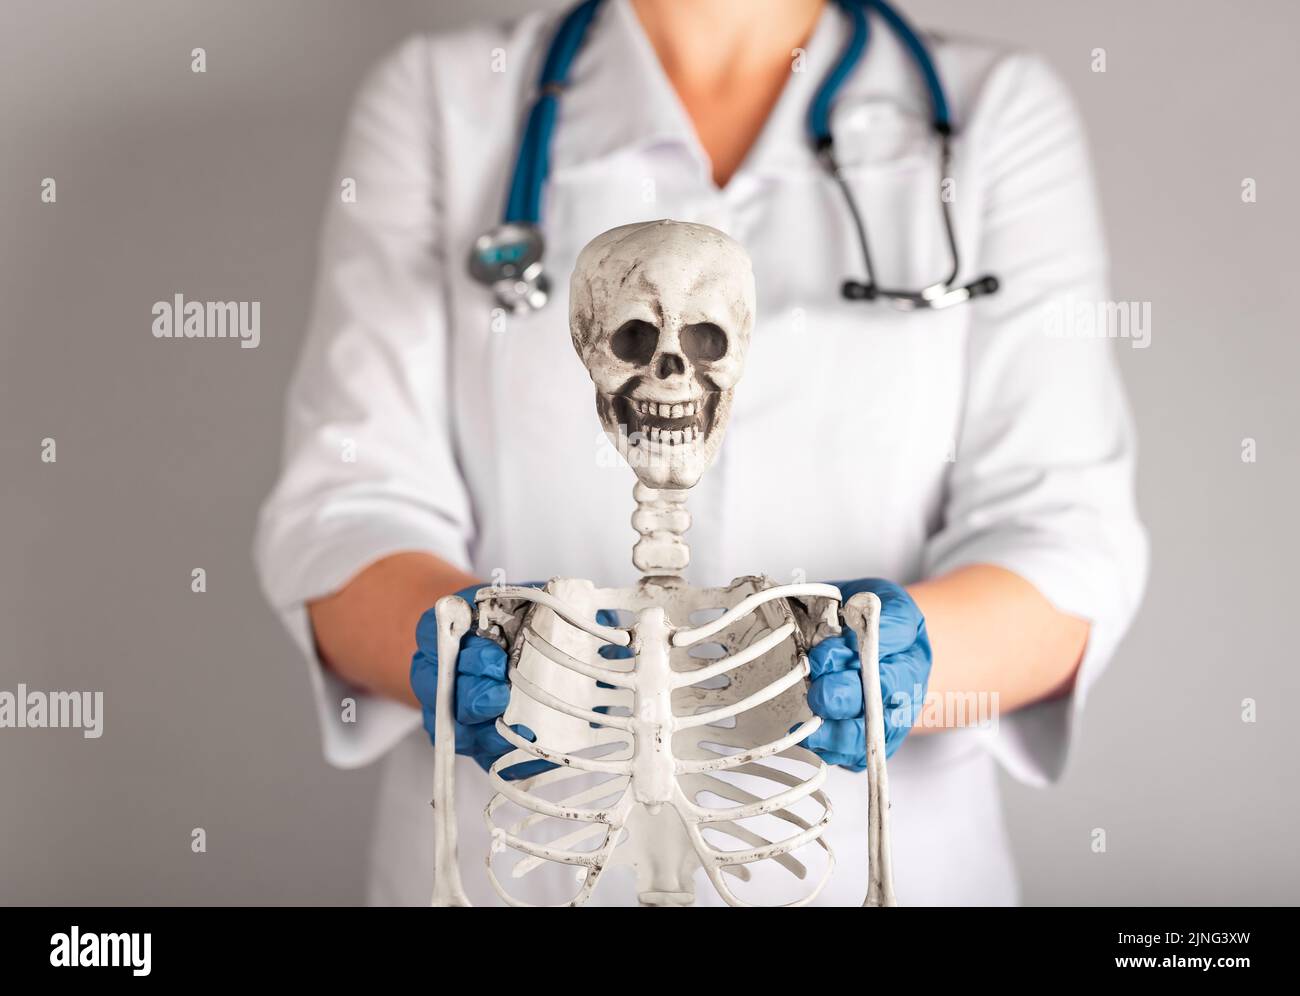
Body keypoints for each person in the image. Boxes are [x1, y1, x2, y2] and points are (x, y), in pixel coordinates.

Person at [255, 0, 1147, 905]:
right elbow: (346, 509)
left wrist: (897, 663)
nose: (673, 373)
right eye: (636, 341)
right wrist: (455, 644)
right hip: (508, 876)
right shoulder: (445, 99)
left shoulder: (989, 111)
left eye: (703, 345)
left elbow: (1065, 538)